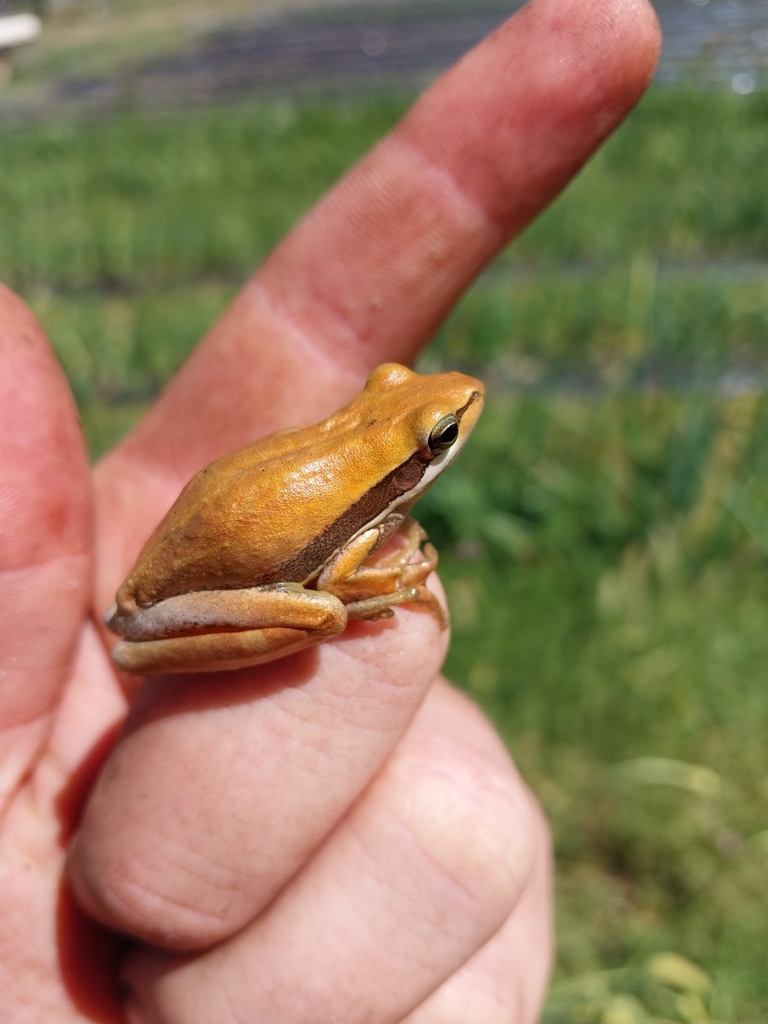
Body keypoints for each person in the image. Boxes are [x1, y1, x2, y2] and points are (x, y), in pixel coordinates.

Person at [0, 0, 660, 1019]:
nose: (449, 422)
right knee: (324, 620)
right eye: (432, 443)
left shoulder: (359, 434)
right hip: (237, 576)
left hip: (185, 566)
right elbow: (338, 566)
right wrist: (358, 587)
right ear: (410, 470)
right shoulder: (374, 500)